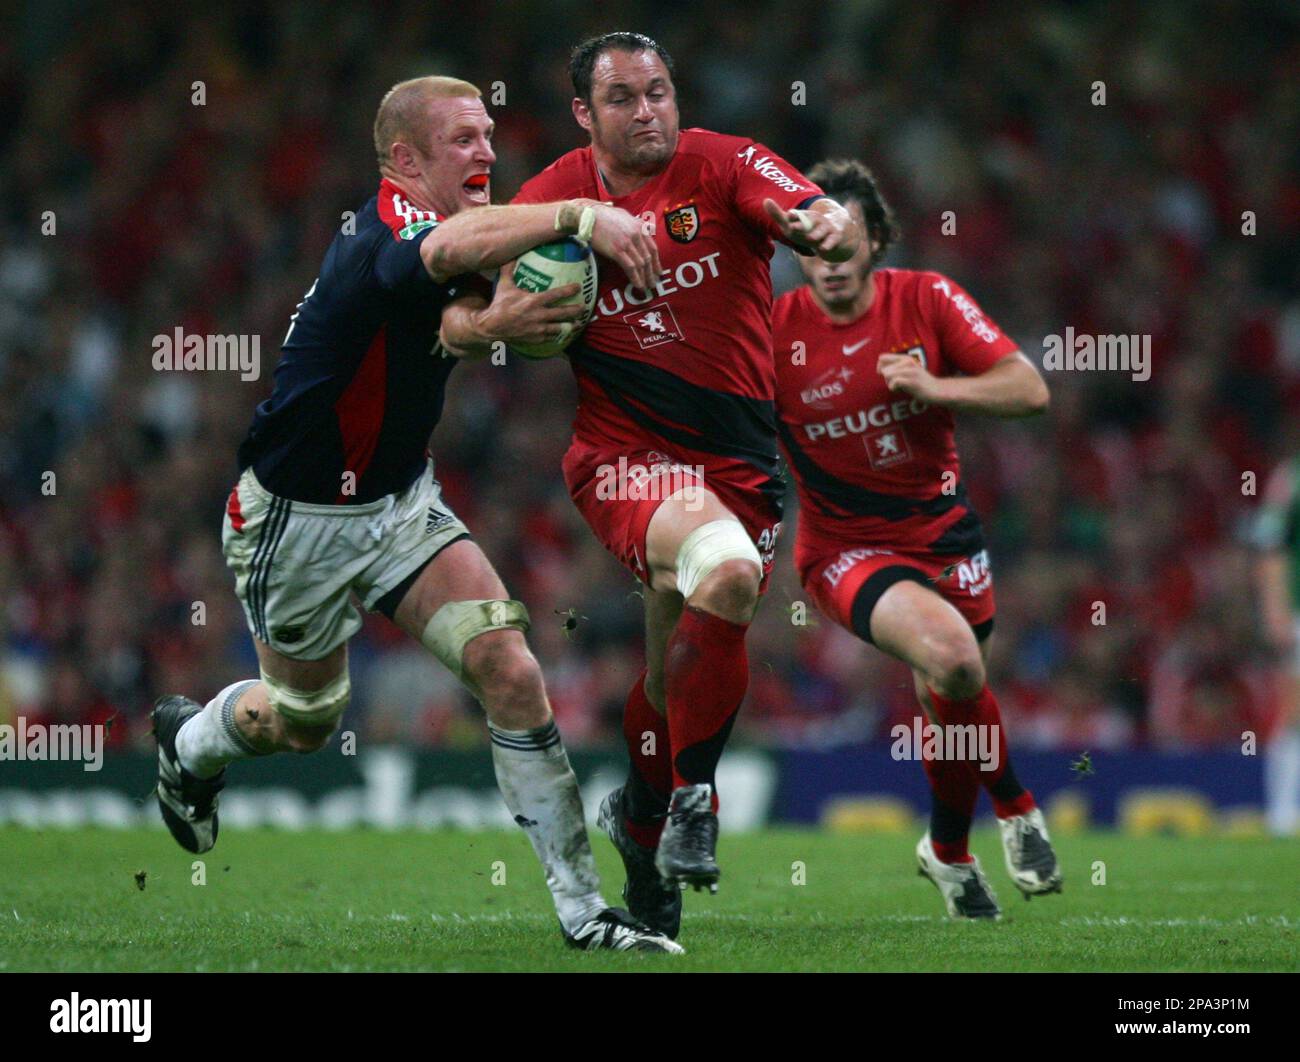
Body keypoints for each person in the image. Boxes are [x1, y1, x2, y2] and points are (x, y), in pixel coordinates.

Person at [151, 74, 682, 954]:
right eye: (463, 140)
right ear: (404, 160)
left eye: (487, 136)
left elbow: (454, 320)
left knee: (510, 669)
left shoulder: (461, 235)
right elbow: (437, 261)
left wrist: (496, 323)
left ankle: (585, 914)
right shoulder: (381, 232)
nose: (485, 152)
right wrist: (580, 217)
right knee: (304, 723)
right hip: (294, 520)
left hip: (400, 504)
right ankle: (192, 744)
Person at [442, 32, 859, 940]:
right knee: (729, 575)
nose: (648, 113)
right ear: (586, 115)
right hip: (623, 458)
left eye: (659, 92)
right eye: (623, 99)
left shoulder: (719, 164)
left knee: (678, 673)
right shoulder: (555, 194)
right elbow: (450, 268)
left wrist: (824, 225)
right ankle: (693, 802)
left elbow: (808, 204)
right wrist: (491, 324)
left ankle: (638, 816)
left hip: (742, 466)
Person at [771, 158, 1060, 919]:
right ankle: (1019, 806)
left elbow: (1029, 388)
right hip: (843, 550)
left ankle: (948, 855)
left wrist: (938, 388)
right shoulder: (773, 334)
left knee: (950, 699)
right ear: (797, 251)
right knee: (954, 660)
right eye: (814, 246)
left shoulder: (926, 299)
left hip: (946, 536)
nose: (830, 260)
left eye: (847, 242)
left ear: (875, 243)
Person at [1252, 455, 1300, 836]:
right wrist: (1275, 609)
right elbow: (1270, 544)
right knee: (1295, 710)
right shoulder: (1291, 476)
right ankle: (1281, 814)